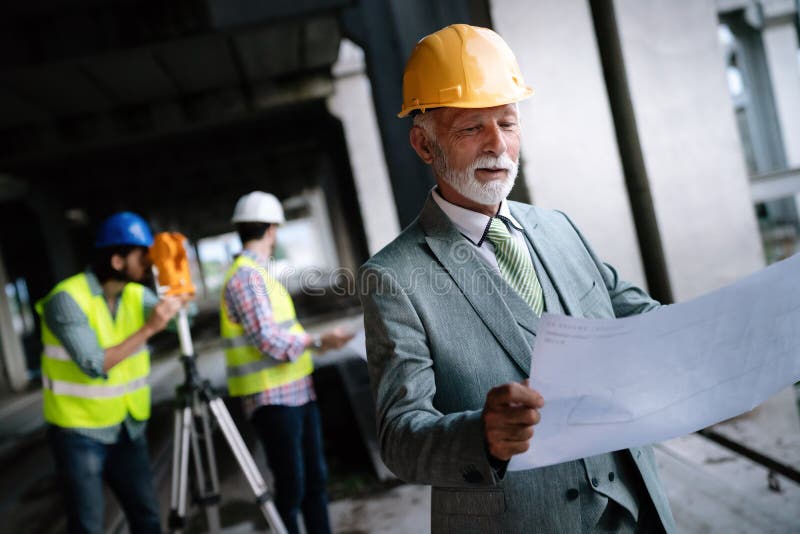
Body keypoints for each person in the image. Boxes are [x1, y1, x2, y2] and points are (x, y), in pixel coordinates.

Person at [359, 24, 677, 533]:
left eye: (508, 123)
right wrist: (482, 436)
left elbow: (645, 321)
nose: (497, 145)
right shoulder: (394, 278)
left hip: (636, 512)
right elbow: (400, 438)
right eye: (471, 129)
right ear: (423, 144)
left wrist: (743, 332)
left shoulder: (559, 228)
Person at [36, 211, 184, 534]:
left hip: (126, 428)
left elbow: (179, 318)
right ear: (117, 261)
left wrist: (174, 277)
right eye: (142, 256)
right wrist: (149, 329)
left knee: (147, 520)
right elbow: (94, 364)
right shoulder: (66, 300)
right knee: (88, 527)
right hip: (80, 431)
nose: (147, 261)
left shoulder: (135, 294)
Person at [220, 191, 353, 534]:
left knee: (314, 481)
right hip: (272, 398)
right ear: (271, 230)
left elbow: (281, 332)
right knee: (292, 487)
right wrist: (319, 341)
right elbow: (268, 340)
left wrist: (315, 345)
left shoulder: (260, 274)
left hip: (297, 391)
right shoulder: (247, 277)